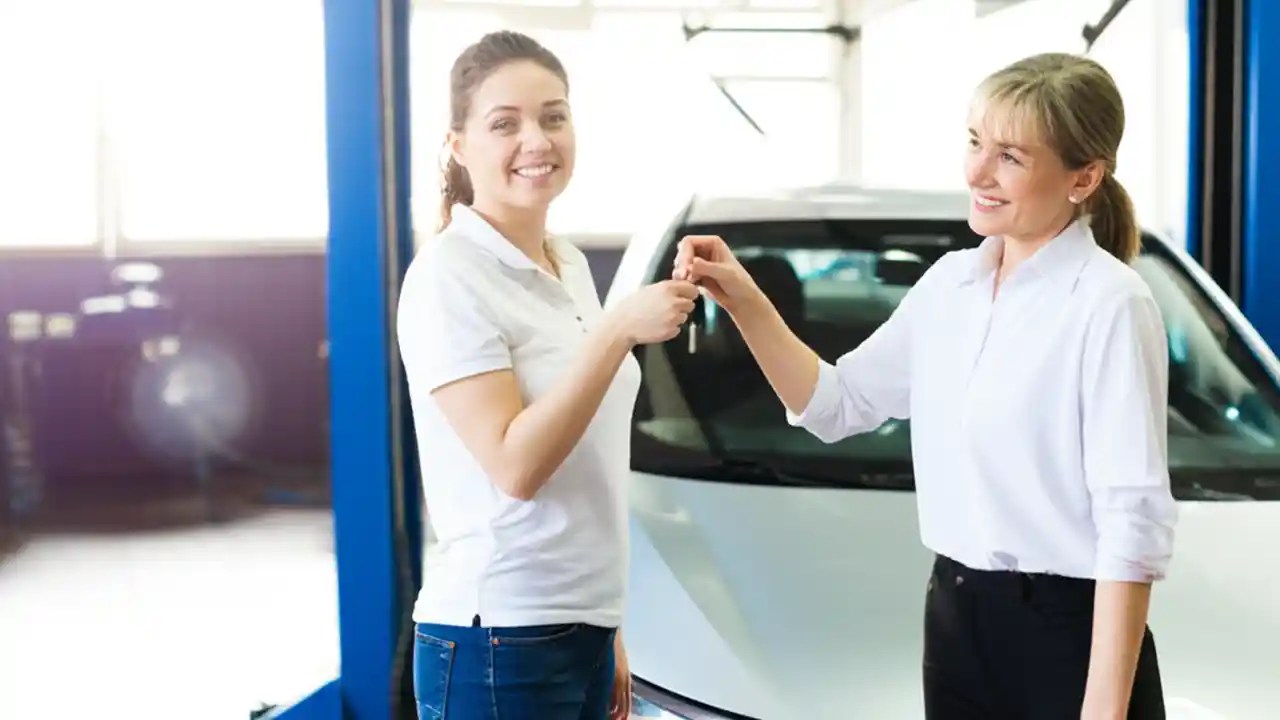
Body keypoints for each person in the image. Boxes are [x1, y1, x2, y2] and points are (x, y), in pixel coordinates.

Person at [673, 52, 1176, 719]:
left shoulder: (1110, 303)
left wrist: (1103, 713)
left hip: (1069, 637)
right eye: (974, 142)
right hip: (957, 622)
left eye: (1010, 157)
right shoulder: (950, 287)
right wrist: (740, 297)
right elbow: (836, 404)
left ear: (1084, 177)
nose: (976, 172)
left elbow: (1131, 525)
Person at [397, 30, 698, 720]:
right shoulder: (450, 276)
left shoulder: (562, 264)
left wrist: (606, 622)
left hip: (576, 624)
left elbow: (585, 461)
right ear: (458, 145)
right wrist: (619, 330)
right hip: (498, 633)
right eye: (505, 123)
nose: (537, 140)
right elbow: (515, 466)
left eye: (553, 116)